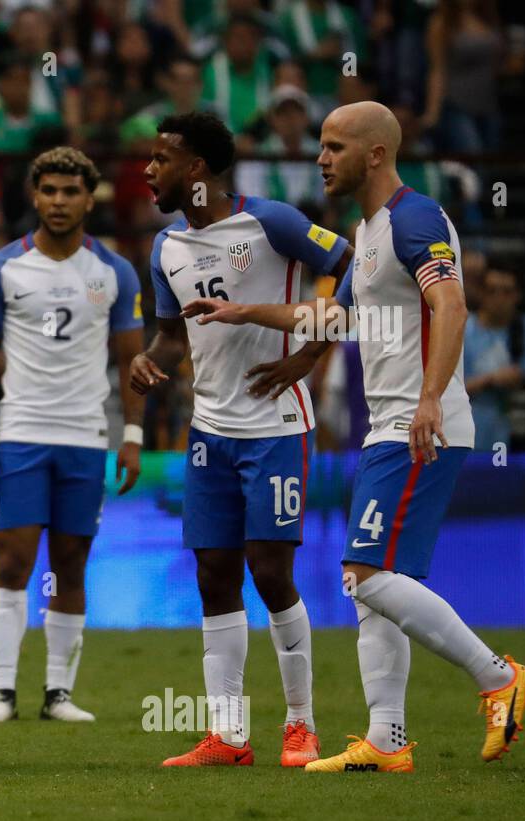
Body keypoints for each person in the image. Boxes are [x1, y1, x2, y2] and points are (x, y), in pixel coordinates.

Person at [183, 101, 525, 772]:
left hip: (417, 423)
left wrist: (430, 398)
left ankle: (498, 676)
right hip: (391, 425)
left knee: (364, 574)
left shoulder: (415, 218)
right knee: (378, 583)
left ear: (374, 154)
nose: (321, 158)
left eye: (334, 146)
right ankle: (387, 737)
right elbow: (324, 315)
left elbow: (452, 304)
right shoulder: (371, 230)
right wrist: (243, 311)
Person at [131, 111, 353, 768]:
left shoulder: (273, 221)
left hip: (276, 428)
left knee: (270, 571)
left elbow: (346, 264)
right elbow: (173, 334)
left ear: (196, 168)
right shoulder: (165, 247)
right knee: (214, 574)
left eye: (160, 158)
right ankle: (228, 734)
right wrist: (152, 361)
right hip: (210, 433)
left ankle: (301, 724)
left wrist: (309, 353)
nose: (148, 169)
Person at [0, 146, 144, 725]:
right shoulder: (1, 268)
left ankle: (58, 693)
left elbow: (130, 361)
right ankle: (1, 692)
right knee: (13, 561)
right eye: (50, 191)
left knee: (71, 563)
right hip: (20, 432)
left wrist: (133, 432)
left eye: (70, 192)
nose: (59, 202)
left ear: (90, 199)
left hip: (87, 436)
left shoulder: (113, 272)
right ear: (34, 197)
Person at [462, 264, 525, 452]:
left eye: (506, 291)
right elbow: (447, 391)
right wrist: (490, 380)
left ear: (517, 295)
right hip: (469, 432)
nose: (499, 299)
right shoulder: (462, 330)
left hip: (515, 434)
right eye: (492, 291)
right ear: (481, 293)